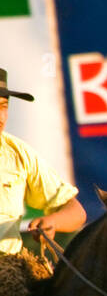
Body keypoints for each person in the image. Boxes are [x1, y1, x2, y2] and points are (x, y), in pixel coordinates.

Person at [0, 68, 87, 256]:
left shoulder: (19, 153)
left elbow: (76, 212)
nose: (1, 118)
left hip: (7, 271)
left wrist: (53, 221)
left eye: (3, 106)